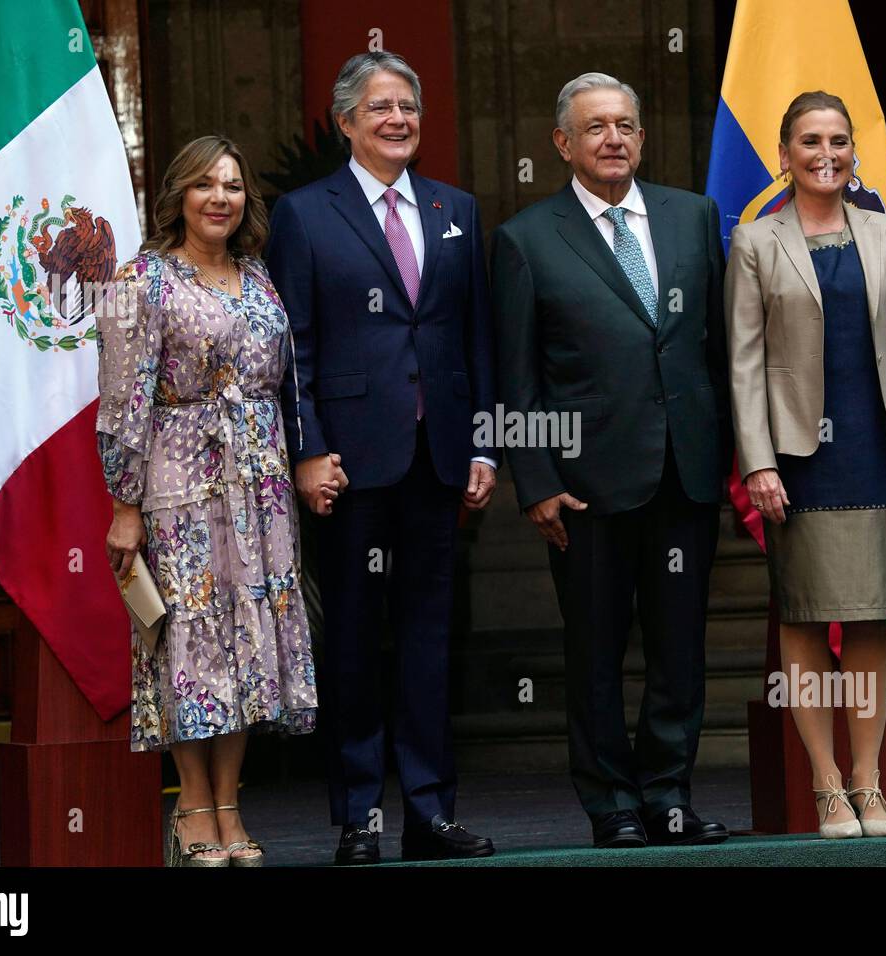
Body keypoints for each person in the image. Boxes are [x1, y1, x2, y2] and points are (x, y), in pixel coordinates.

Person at [266, 51, 498, 865]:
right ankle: (359, 815)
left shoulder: (455, 208)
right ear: (346, 123)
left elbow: (475, 338)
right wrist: (309, 450)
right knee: (359, 642)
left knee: (432, 641)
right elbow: (293, 347)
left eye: (409, 106)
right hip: (352, 467)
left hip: (438, 461)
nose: (398, 119)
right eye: (380, 108)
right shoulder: (304, 213)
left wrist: (483, 444)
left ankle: (431, 813)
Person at [492, 73, 733, 849]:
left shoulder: (692, 218)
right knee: (595, 651)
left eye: (626, 124)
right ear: (563, 143)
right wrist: (536, 483)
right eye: (595, 128)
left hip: (683, 474)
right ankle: (611, 806)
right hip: (586, 487)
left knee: (678, 650)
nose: (614, 139)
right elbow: (517, 377)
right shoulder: (528, 238)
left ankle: (667, 795)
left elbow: (718, 349)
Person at [724, 91, 886, 839]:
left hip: (877, 450)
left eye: (840, 141)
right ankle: (824, 784)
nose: (827, 154)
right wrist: (757, 462)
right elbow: (743, 362)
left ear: (855, 152)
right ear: (784, 154)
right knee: (806, 614)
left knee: (872, 612)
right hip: (797, 458)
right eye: (811, 141)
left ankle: (869, 782)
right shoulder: (755, 242)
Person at [98, 135, 320, 866]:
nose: (220, 198)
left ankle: (230, 808)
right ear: (177, 199)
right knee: (190, 647)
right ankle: (191, 810)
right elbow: (125, 402)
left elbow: (283, 384)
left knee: (247, 645)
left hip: (260, 493)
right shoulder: (145, 281)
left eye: (231, 186)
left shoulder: (258, 279)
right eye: (204, 186)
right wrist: (125, 503)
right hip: (180, 488)